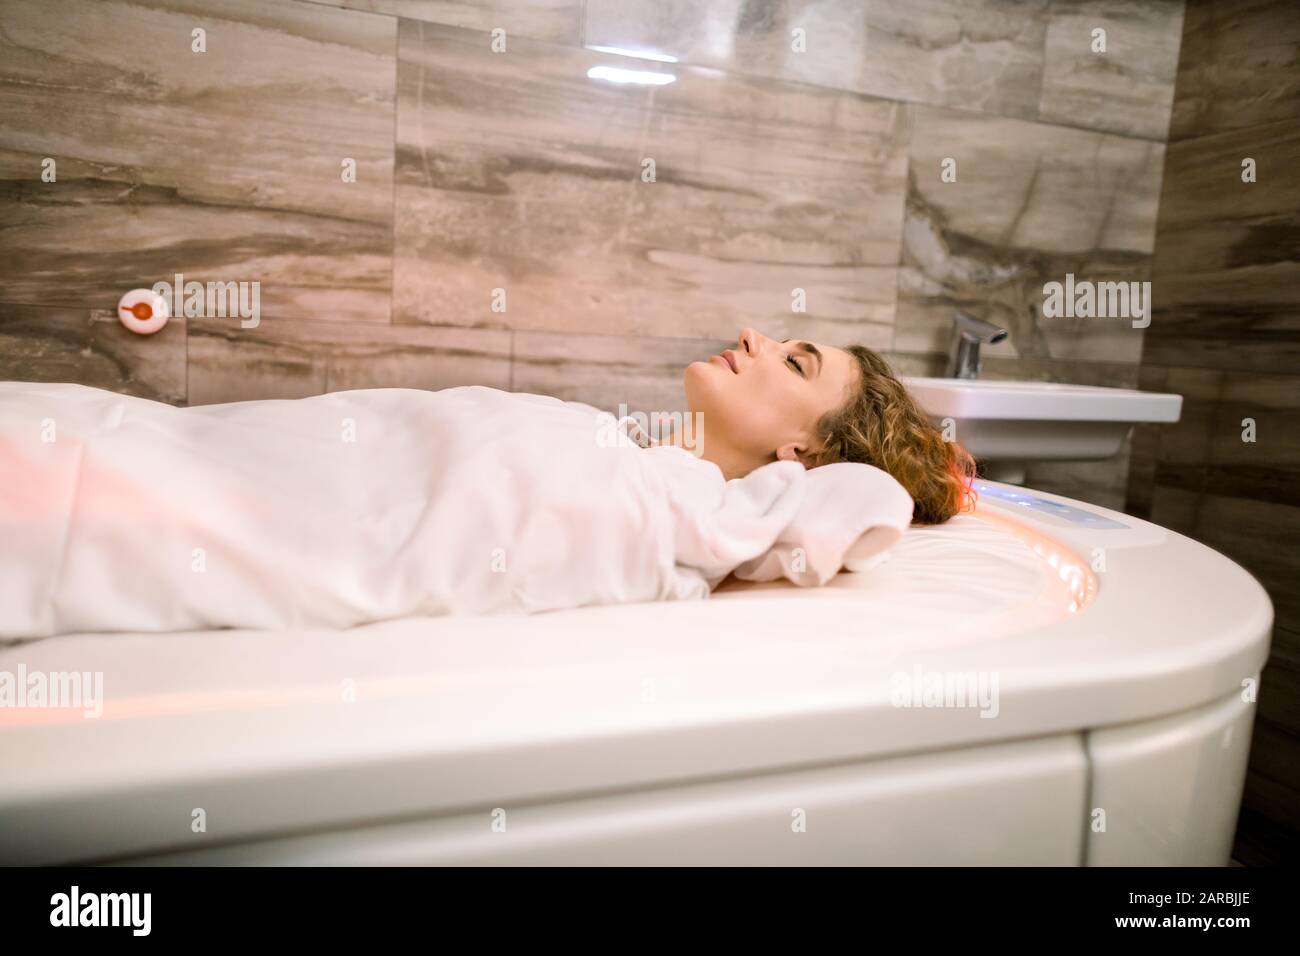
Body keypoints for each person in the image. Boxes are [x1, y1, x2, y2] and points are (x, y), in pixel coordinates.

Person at [643, 327, 976, 524]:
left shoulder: (669, 516)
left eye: (793, 363)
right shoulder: (621, 453)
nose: (749, 335)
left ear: (803, 454)